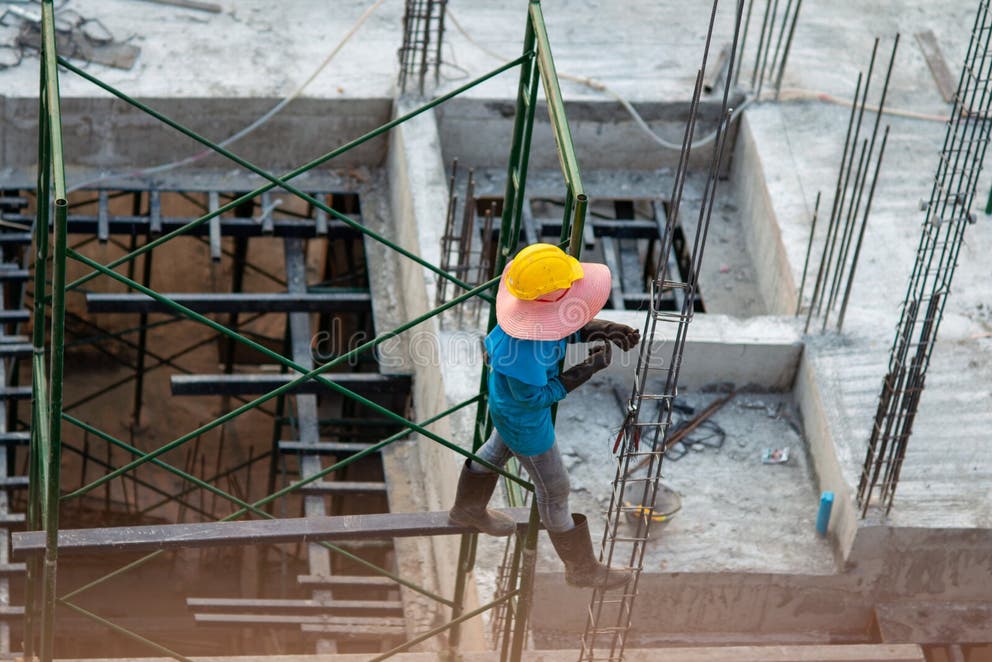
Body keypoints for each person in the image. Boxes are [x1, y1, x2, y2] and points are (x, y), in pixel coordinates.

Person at [448, 243, 640, 589]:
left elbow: (559, 326)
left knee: (495, 449)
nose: (571, 296)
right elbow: (537, 397)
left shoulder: (527, 317)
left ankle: (467, 508)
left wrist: (601, 328)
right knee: (554, 489)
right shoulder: (522, 352)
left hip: (506, 408)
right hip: (525, 421)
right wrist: (583, 371)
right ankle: (581, 569)